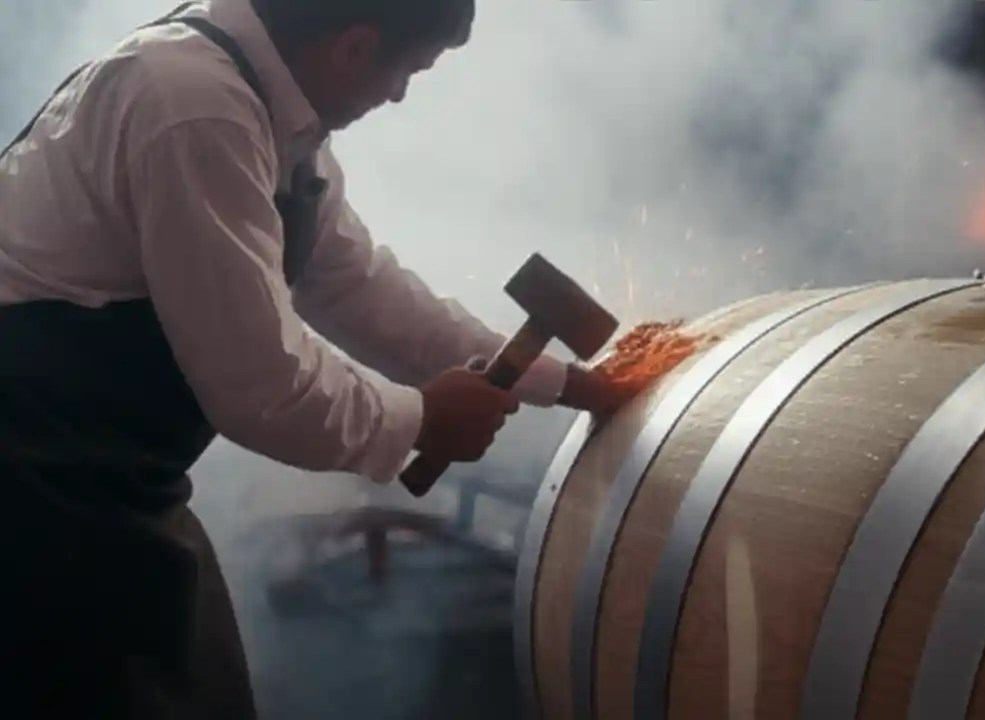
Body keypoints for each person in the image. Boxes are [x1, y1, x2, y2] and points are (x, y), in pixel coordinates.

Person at [0, 0, 629, 717]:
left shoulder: (271, 111)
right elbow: (259, 386)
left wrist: (567, 383)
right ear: (356, 46)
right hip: (32, 480)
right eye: (410, 72)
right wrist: (421, 420)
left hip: (107, 479)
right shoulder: (194, 105)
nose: (397, 95)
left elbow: (357, 287)